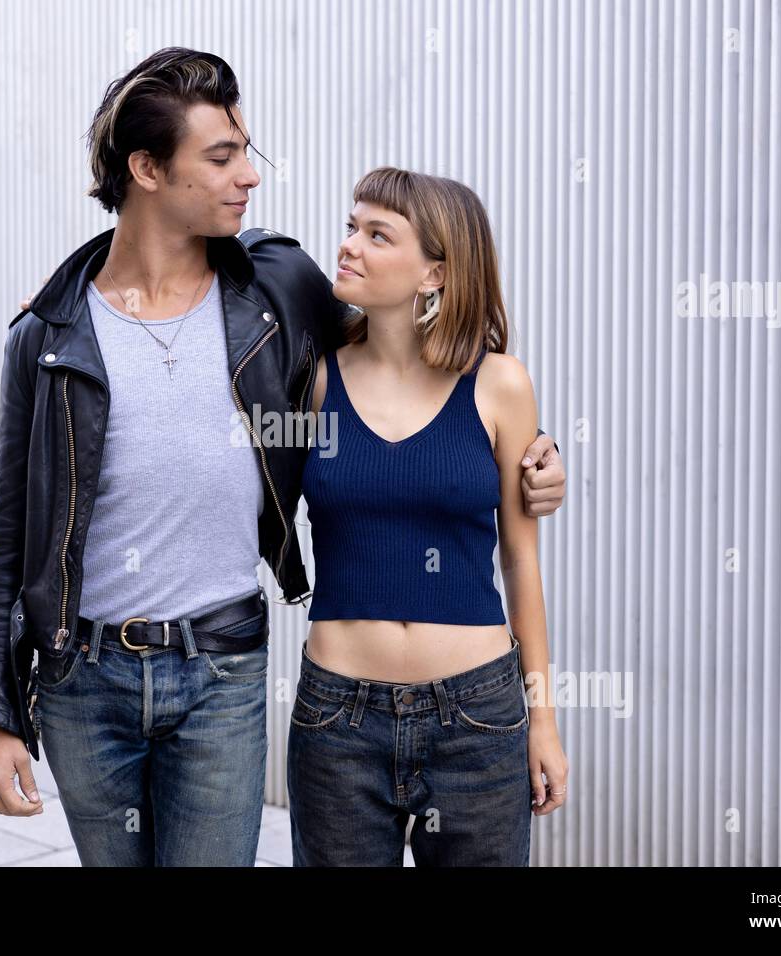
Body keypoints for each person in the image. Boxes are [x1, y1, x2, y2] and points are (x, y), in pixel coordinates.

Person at [0, 48, 568, 866]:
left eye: (246, 150)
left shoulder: (278, 291)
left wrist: (538, 459)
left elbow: (423, 363)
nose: (250, 174)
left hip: (236, 673)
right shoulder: (51, 336)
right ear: (147, 169)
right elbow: (9, 532)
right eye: (223, 156)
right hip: (109, 683)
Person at [288, 167, 568, 866]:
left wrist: (544, 722)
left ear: (434, 273)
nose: (350, 245)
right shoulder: (314, 380)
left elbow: (521, 558)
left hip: (477, 717)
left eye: (377, 234)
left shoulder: (501, 383)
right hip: (336, 720)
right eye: (352, 225)